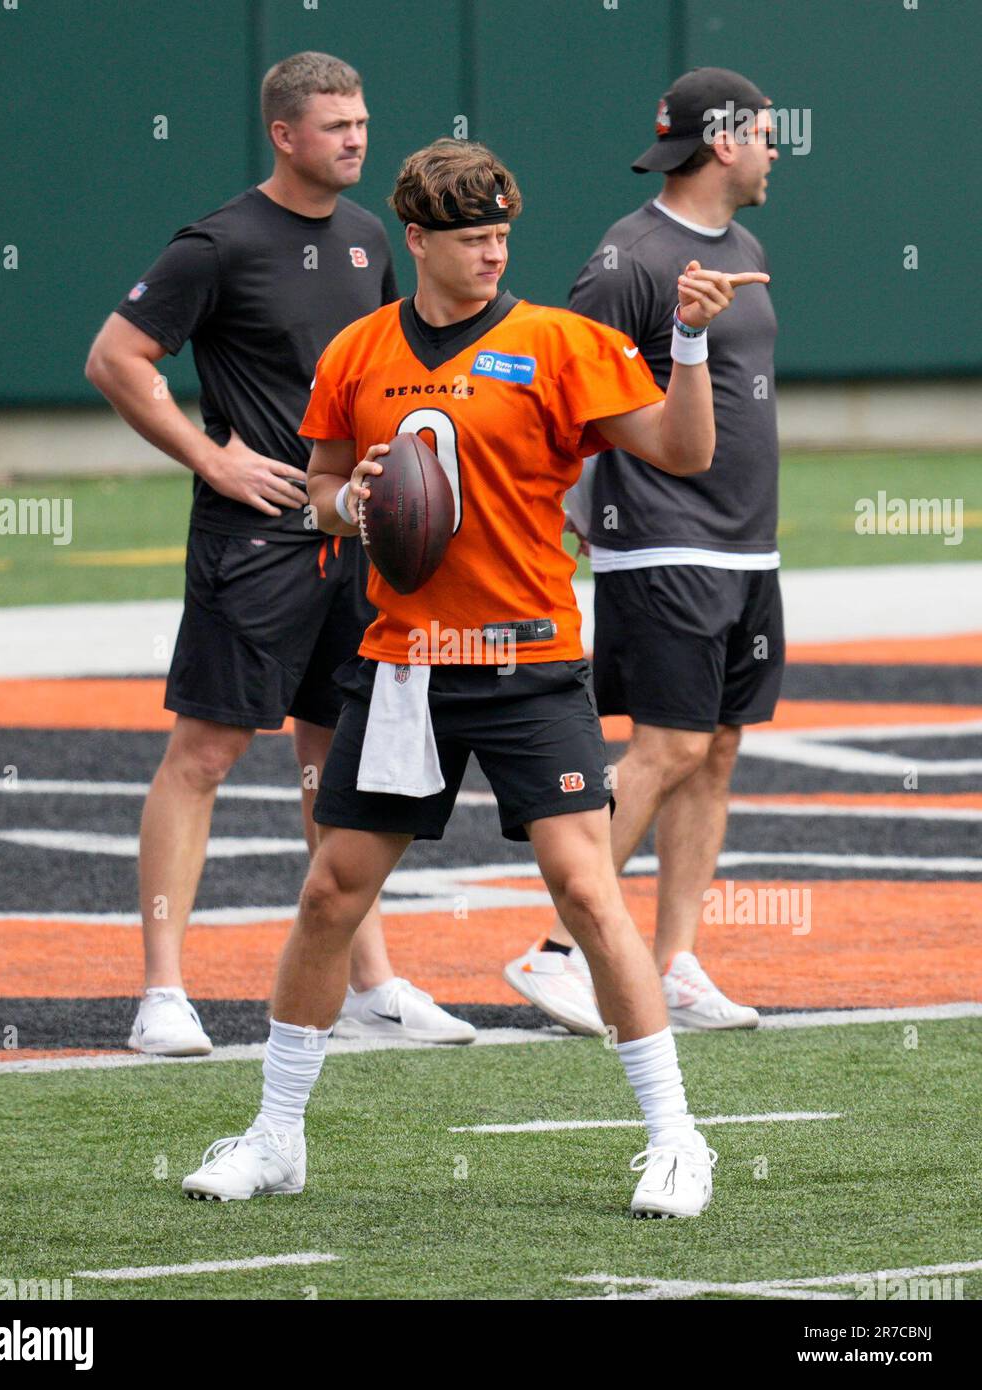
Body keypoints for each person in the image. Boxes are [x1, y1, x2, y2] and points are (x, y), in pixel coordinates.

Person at [181, 137, 768, 1217]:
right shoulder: (356, 348)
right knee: (328, 893)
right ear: (416, 241)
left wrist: (686, 337)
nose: (491, 254)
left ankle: (677, 1138)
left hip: (528, 660)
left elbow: (682, 452)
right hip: (402, 665)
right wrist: (348, 505)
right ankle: (274, 1134)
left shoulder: (561, 342)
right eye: (468, 239)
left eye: (501, 234)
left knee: (587, 894)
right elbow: (316, 490)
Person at [85, 52, 474, 1055]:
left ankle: (367, 983)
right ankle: (162, 992)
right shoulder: (215, 242)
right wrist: (210, 457)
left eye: (362, 120)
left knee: (334, 759)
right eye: (335, 124)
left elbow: (387, 371)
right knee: (205, 753)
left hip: (354, 535)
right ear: (284, 134)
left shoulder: (363, 238)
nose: (355, 138)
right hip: (254, 541)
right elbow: (116, 358)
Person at [504, 67, 783, 1037]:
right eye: (760, 132)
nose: (772, 148)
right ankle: (555, 950)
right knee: (664, 748)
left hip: (743, 549)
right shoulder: (628, 258)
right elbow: (558, 397)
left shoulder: (738, 244)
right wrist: (587, 519)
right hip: (660, 546)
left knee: (713, 753)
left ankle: (670, 962)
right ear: (721, 143)